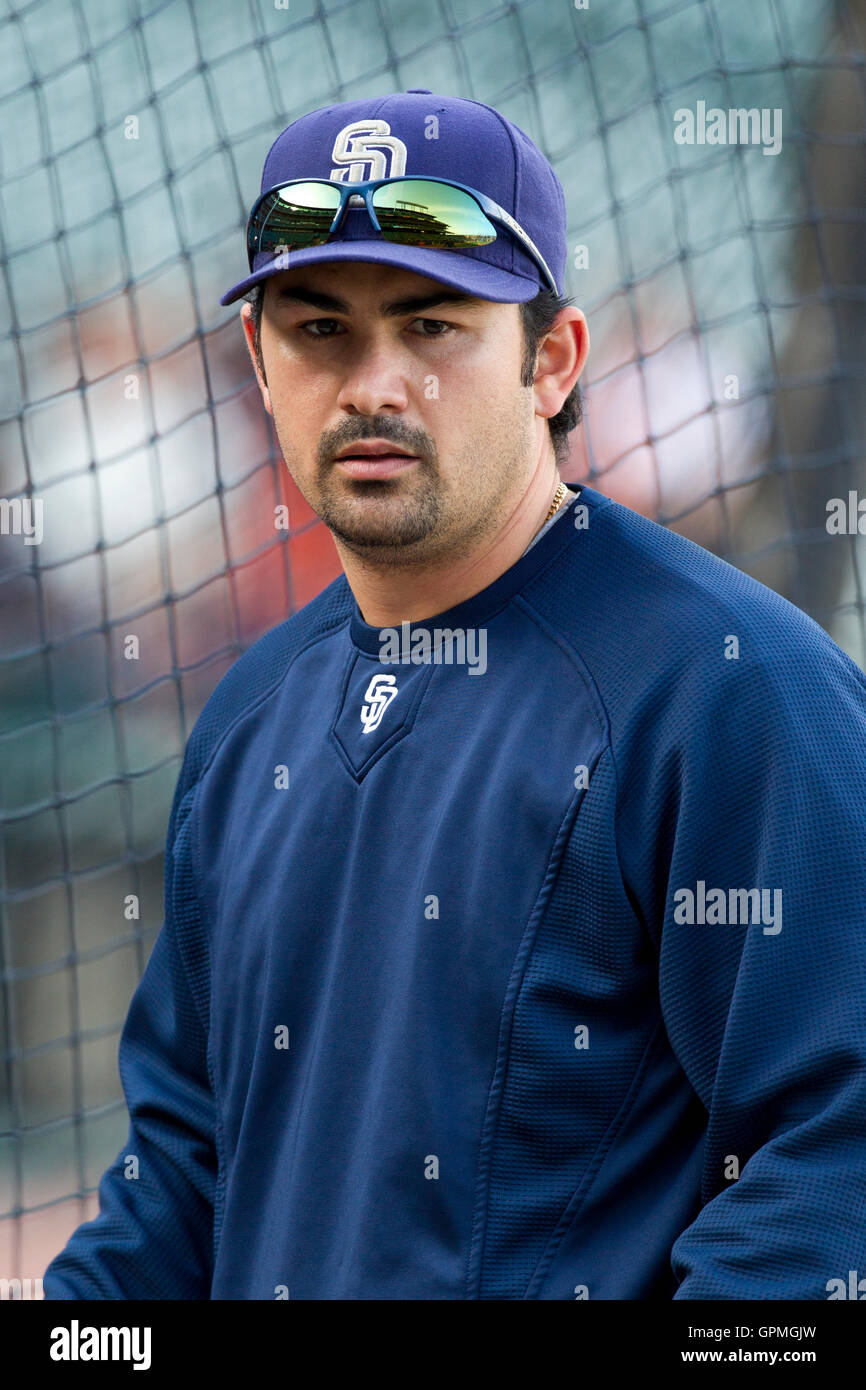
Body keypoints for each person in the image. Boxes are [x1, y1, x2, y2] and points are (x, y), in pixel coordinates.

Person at [44, 90, 866, 1301]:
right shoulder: (251, 713)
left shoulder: (736, 689)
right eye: (318, 329)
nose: (373, 384)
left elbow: (829, 1166)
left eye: (429, 327)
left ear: (551, 361)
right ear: (260, 369)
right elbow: (182, 1174)